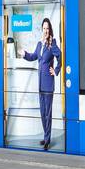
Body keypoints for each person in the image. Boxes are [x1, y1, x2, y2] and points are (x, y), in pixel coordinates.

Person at [20, 17, 62, 150]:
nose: (45, 30)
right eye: (44, 28)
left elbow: (60, 56)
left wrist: (55, 70)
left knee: (48, 114)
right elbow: (33, 56)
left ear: (50, 29)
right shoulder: (39, 44)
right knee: (42, 113)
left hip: (48, 84)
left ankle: (47, 140)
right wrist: (24, 54)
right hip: (40, 85)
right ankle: (45, 136)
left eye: (47, 28)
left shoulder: (52, 43)